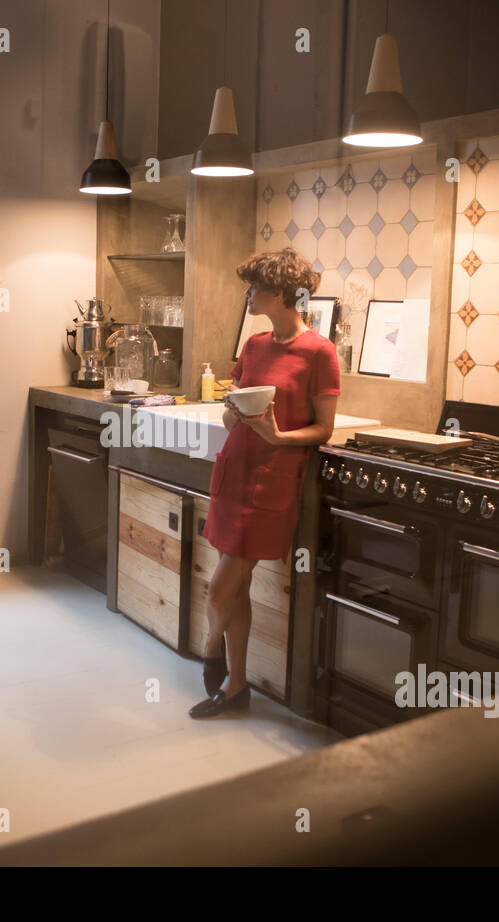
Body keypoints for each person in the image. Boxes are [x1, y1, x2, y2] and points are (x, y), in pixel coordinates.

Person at [190, 248, 340, 718]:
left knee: (218, 591)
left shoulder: (320, 352)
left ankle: (210, 652)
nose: (247, 294)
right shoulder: (254, 345)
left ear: (279, 293)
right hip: (234, 471)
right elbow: (231, 413)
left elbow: (323, 429)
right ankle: (236, 688)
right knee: (237, 589)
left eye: (253, 287)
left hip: (271, 484)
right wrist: (232, 412)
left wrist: (277, 435)